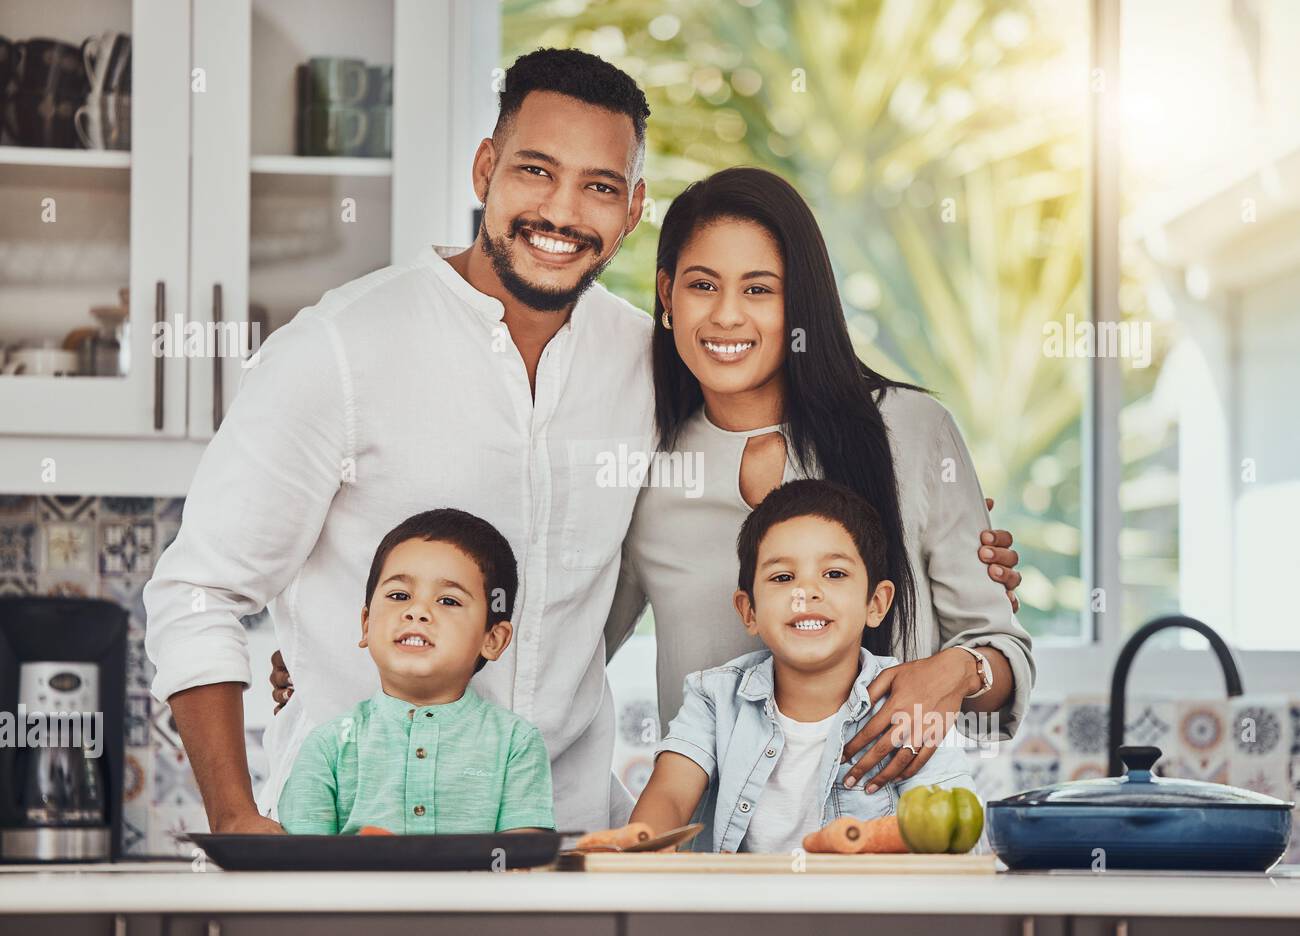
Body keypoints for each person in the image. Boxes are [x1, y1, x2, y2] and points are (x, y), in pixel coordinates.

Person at [144, 48, 658, 834]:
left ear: (633, 208)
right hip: (355, 852)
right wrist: (237, 818)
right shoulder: (338, 348)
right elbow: (199, 591)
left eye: (599, 186)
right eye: (534, 171)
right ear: (484, 169)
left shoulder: (649, 366)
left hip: (565, 856)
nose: (561, 212)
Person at [604, 168, 1034, 794]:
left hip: (891, 857)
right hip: (719, 872)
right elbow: (567, 650)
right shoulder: (644, 463)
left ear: (800, 301)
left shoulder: (911, 432)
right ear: (667, 295)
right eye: (702, 285)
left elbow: (1001, 670)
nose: (726, 316)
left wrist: (958, 671)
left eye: (759, 289)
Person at [630, 480, 974, 853]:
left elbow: (951, 832)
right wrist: (645, 848)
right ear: (750, 611)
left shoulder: (909, 704)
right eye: (782, 577)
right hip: (739, 910)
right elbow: (671, 793)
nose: (806, 592)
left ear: (876, 603)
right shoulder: (714, 699)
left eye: (834, 574)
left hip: (873, 909)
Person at [277, 509, 554, 835]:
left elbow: (522, 866)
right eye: (399, 595)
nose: (417, 611)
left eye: (448, 601)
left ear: (492, 639)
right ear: (366, 624)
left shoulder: (516, 744)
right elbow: (302, 869)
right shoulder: (329, 746)